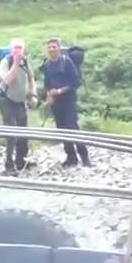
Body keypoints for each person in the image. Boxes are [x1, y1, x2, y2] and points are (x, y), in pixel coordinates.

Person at [40, 38, 90, 168]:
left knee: (72, 127)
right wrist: (49, 94)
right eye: (49, 48)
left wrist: (60, 91)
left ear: (59, 48)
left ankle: (84, 156)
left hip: (68, 99)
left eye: (54, 47)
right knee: (61, 128)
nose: (51, 50)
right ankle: (71, 157)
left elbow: (75, 82)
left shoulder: (66, 62)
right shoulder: (46, 65)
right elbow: (47, 83)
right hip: (56, 101)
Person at [0, 38, 37, 174]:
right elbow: (7, 80)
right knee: (11, 133)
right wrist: (15, 63)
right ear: (10, 50)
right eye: (15, 48)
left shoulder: (25, 62)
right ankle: (9, 164)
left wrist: (33, 95)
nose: (18, 50)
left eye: (20, 48)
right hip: (6, 100)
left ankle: (20, 160)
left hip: (20, 100)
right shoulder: (5, 62)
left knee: (23, 131)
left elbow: (31, 79)